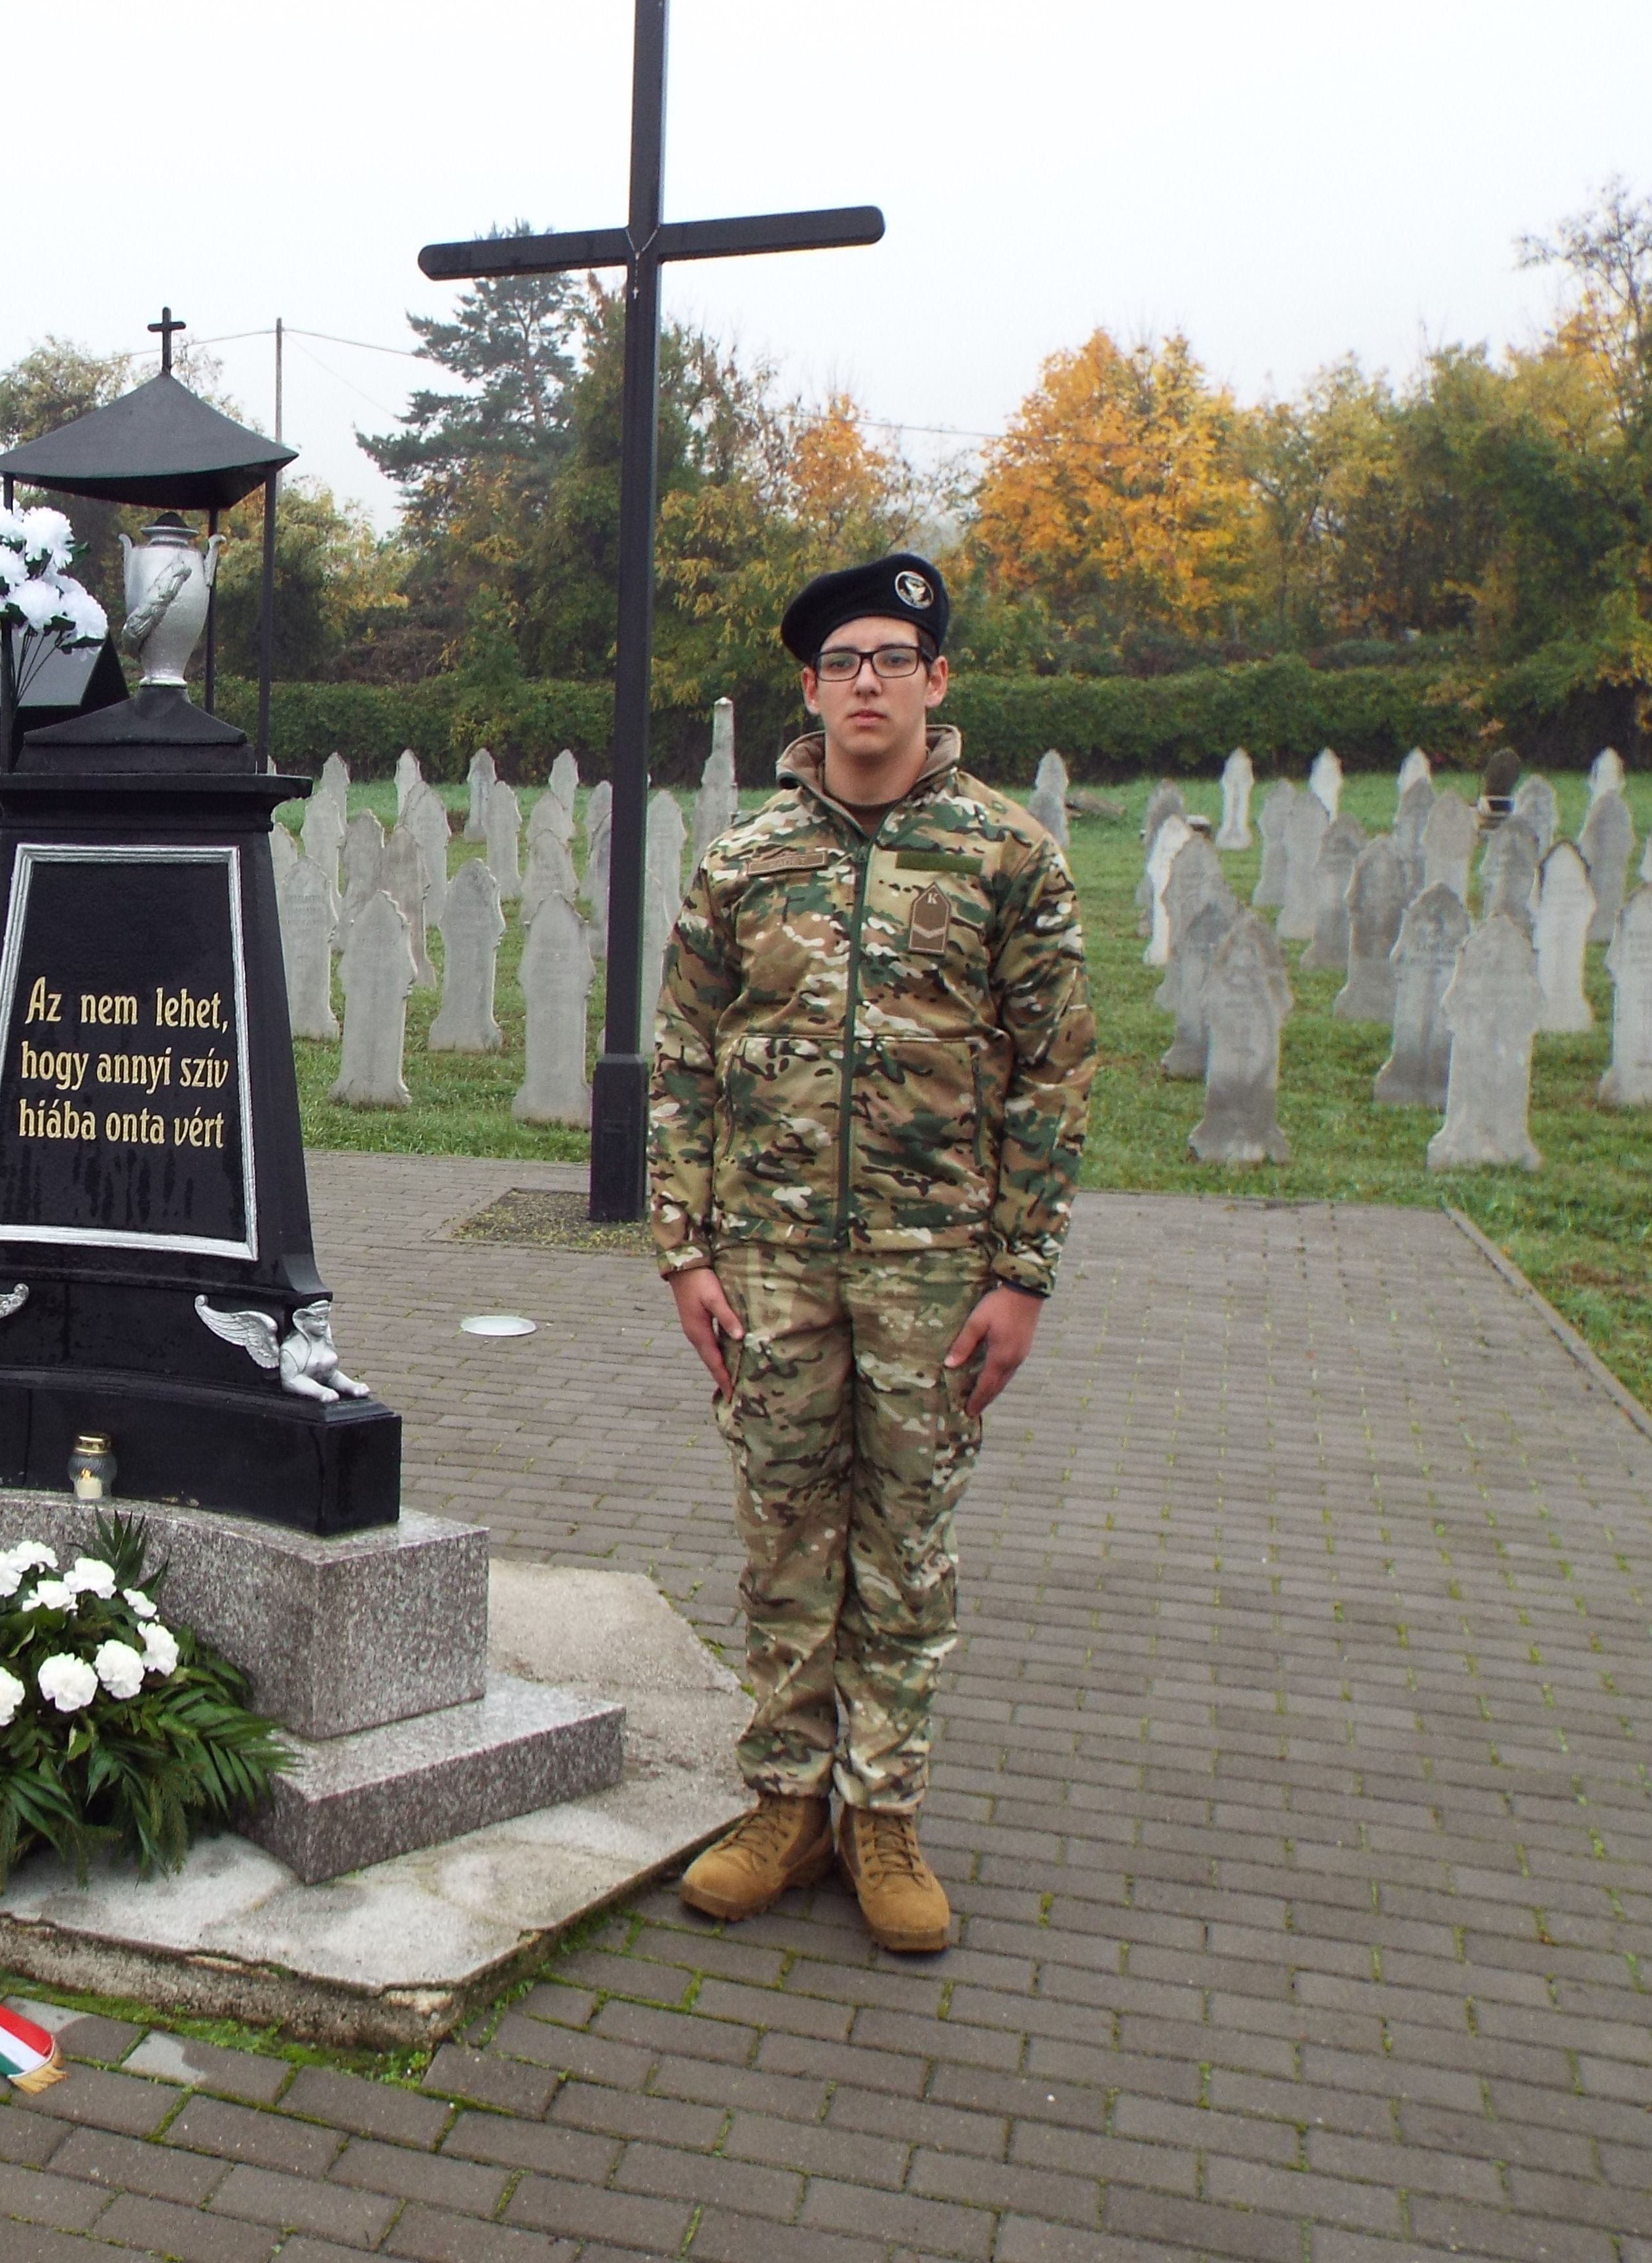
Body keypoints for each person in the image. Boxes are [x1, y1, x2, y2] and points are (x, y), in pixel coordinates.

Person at [650, 552, 1095, 1952]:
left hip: (933, 1268)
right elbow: (683, 1065)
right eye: (842, 662)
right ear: (810, 687)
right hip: (770, 1264)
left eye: (891, 659)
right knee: (786, 1537)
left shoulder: (1007, 856)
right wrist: (686, 1254)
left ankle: (885, 1815)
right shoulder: (744, 861)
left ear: (936, 680)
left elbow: (1056, 1076)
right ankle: (784, 1804)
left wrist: (1022, 1277)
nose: (865, 684)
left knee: (905, 1547)